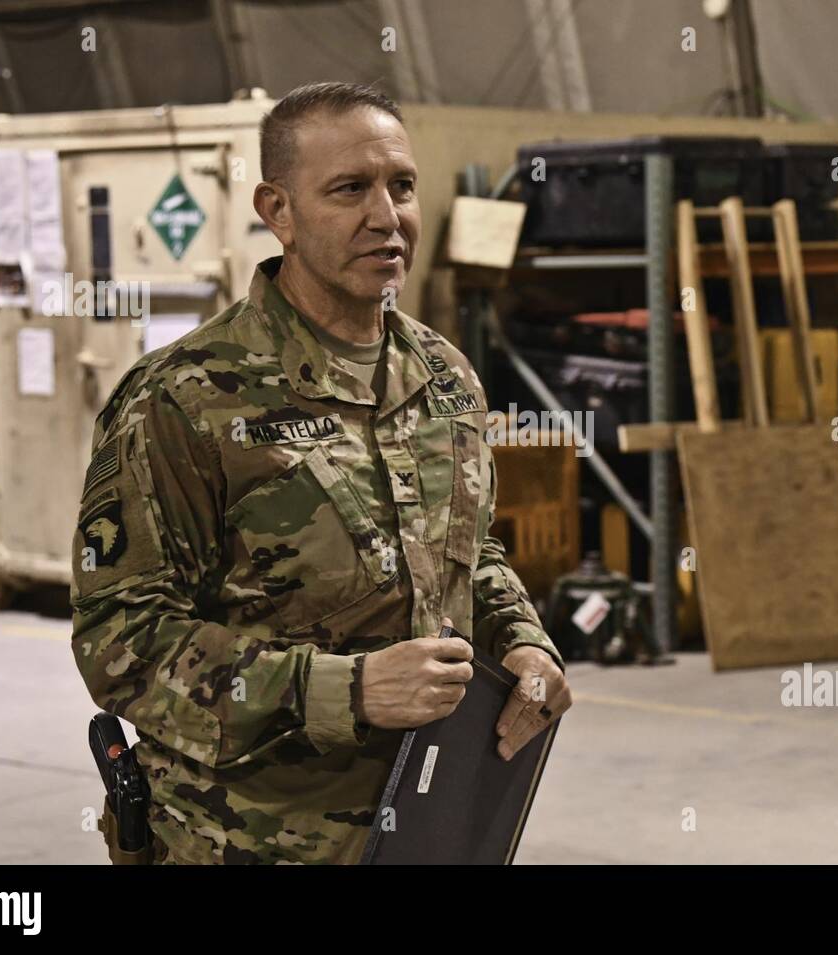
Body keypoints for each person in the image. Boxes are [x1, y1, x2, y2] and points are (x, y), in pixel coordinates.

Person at [70, 81, 572, 864]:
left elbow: (473, 555)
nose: (386, 215)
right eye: (349, 189)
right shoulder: (184, 398)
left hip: (429, 824)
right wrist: (349, 689)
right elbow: (120, 639)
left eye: (401, 185)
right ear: (278, 211)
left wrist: (525, 643)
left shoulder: (443, 376)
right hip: (245, 840)